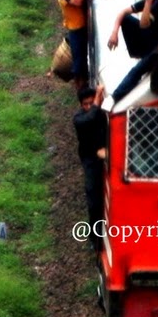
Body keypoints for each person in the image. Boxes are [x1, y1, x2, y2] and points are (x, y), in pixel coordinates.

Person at [73, 83, 108, 250]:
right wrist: (97, 101)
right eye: (85, 104)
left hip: (103, 155)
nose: (88, 107)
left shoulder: (100, 113)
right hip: (90, 158)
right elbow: (89, 119)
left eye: (90, 103)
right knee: (93, 198)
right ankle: (94, 238)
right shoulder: (80, 119)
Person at [59, 0, 89, 83]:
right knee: (77, 60)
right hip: (74, 31)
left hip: (82, 29)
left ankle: (84, 80)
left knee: (84, 56)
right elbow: (79, 3)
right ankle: (78, 83)